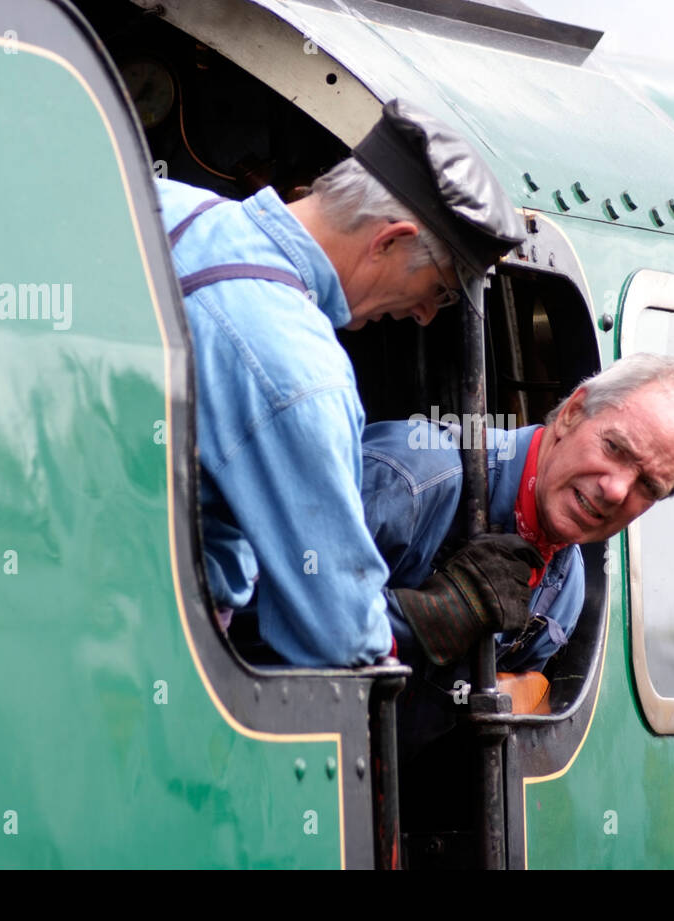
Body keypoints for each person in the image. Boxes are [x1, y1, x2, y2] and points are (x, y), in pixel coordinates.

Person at [157, 99, 523, 666]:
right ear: (391, 241)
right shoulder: (302, 373)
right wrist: (414, 626)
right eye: (441, 287)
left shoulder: (162, 203)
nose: (426, 313)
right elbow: (339, 636)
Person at [361, 352, 674, 751]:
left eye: (649, 487)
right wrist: (422, 620)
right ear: (572, 413)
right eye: (616, 449)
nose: (617, 489)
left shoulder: (566, 591)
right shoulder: (414, 476)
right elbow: (287, 609)